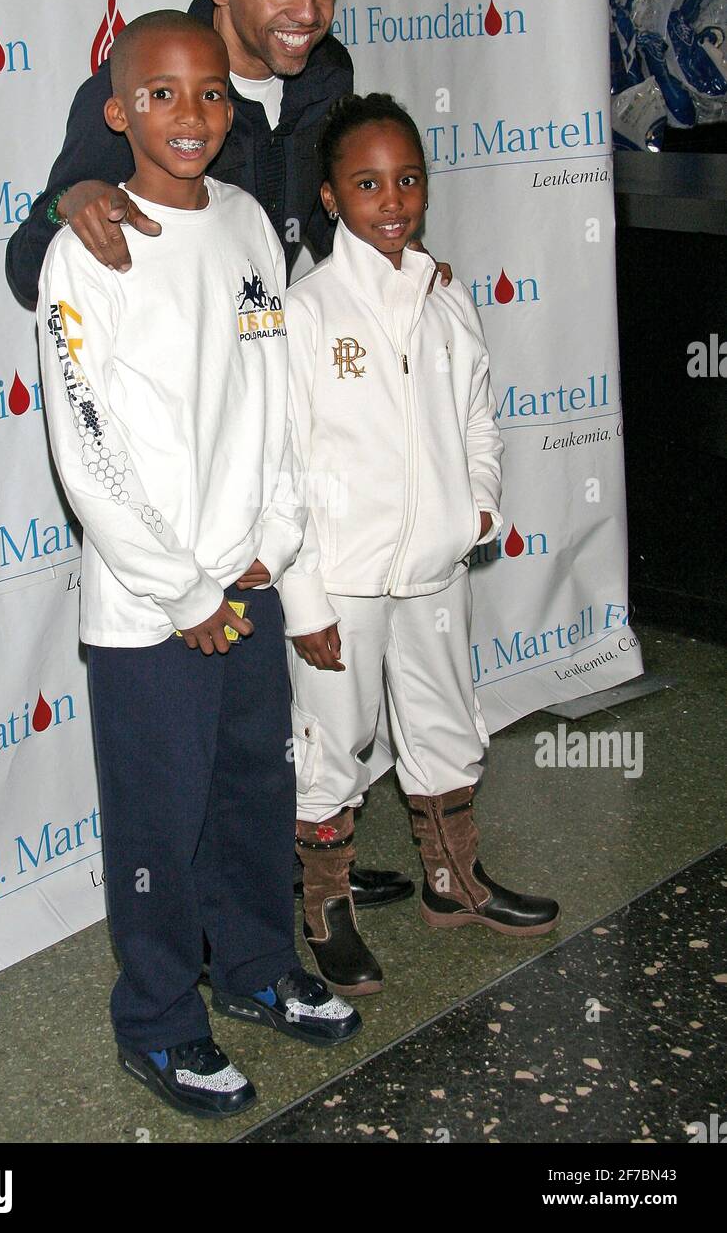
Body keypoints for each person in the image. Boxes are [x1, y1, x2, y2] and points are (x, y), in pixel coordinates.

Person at [10, 0, 431, 909]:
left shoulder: (329, 70)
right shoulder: (161, 76)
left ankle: (305, 856)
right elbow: (38, 260)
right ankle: (200, 920)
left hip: (294, 431)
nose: (305, 8)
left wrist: (407, 272)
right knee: (194, 722)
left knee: (309, 672)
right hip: (187, 467)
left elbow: (338, 218)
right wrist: (74, 196)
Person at [35, 11, 361, 1120]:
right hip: (150, 613)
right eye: (162, 95)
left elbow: (272, 402)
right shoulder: (86, 253)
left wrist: (267, 548)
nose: (192, 116)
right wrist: (179, 591)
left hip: (248, 584)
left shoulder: (246, 230)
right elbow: (86, 450)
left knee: (252, 794)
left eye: (211, 94)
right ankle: (162, 1023)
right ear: (117, 112)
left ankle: (258, 968)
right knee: (158, 829)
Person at [279, 93, 561, 996]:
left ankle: (455, 881)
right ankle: (327, 909)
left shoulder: (448, 297)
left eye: (408, 180)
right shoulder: (307, 312)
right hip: (343, 583)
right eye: (368, 183)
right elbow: (281, 466)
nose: (392, 200)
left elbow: (478, 412)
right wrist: (305, 596)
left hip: (434, 567)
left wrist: (476, 506)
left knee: (444, 722)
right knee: (336, 742)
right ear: (331, 198)